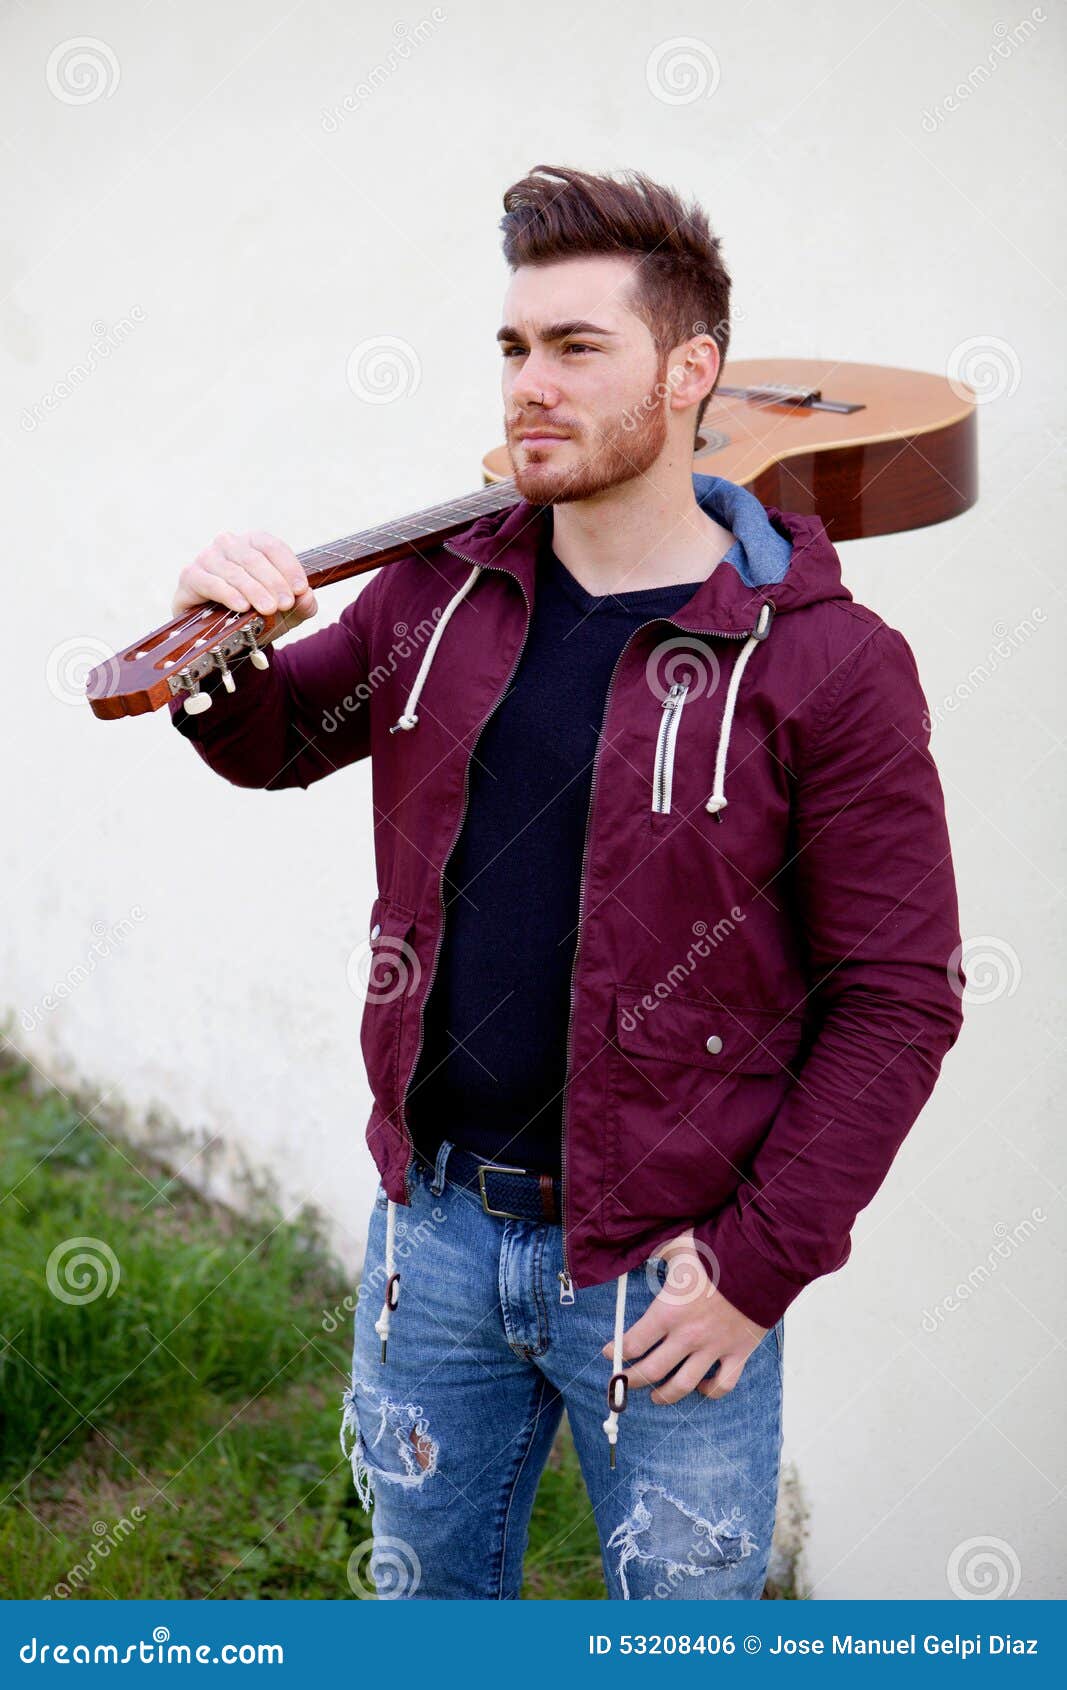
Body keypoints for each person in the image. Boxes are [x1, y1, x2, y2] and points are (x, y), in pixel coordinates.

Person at [166, 164, 966, 1600]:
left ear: (690, 372)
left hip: (669, 1273)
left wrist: (757, 1263)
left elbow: (899, 998)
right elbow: (283, 735)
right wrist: (221, 648)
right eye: (515, 348)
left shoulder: (825, 664)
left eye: (578, 348)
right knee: (427, 1616)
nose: (531, 384)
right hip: (436, 1237)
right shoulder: (442, 592)